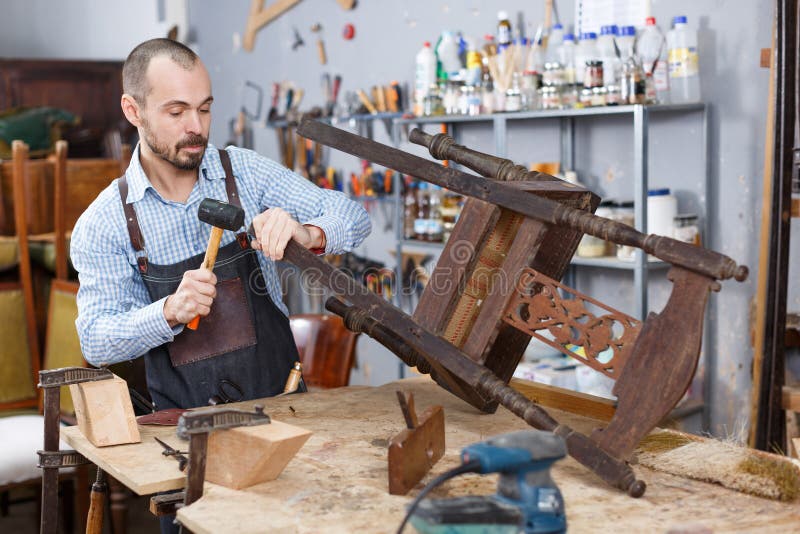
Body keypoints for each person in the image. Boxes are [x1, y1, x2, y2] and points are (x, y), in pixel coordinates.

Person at [71, 38, 371, 413]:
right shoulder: (106, 223)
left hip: (283, 414)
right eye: (177, 112)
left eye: (205, 108)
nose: (196, 127)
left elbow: (355, 217)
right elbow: (97, 342)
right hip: (184, 431)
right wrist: (169, 311)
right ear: (134, 111)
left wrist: (308, 233)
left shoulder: (244, 172)